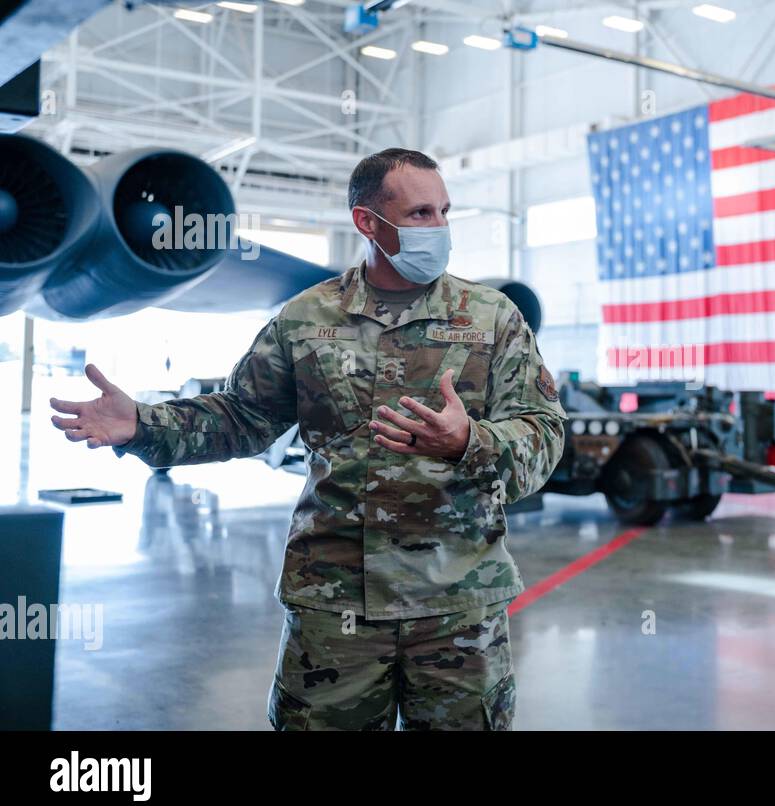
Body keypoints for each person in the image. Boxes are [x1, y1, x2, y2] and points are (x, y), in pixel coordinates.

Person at [49, 148, 566, 730]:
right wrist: (143, 424)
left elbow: (543, 436)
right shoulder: (305, 319)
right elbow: (243, 418)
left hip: (458, 606)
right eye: (421, 214)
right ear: (368, 222)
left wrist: (470, 441)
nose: (439, 228)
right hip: (334, 604)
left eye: (445, 212)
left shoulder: (492, 318)